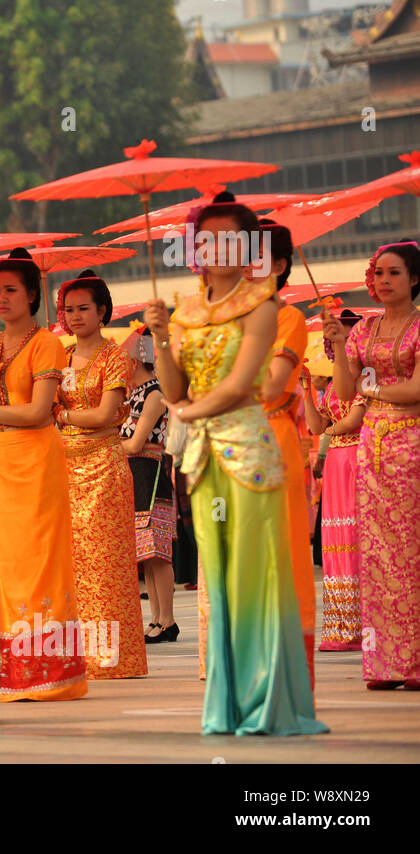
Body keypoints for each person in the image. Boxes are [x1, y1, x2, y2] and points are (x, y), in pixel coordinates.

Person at [144, 192, 325, 735]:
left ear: (248, 248)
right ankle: (227, 700)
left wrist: (187, 411)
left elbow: (244, 383)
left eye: (228, 237)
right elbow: (174, 386)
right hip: (202, 455)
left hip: (248, 448)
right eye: (205, 237)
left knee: (257, 572)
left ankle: (270, 698)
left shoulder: (264, 305)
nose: (214, 247)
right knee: (218, 576)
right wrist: (160, 337)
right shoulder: (185, 311)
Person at [0, 248, 87, 702]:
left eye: (10, 290)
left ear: (31, 296)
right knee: (5, 560)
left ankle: (49, 671)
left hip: (36, 457)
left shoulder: (46, 343)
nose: (1, 298)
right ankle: (15, 669)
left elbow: (40, 410)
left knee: (40, 557)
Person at [323, 239, 420, 690]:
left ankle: (414, 661)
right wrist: (341, 347)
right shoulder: (363, 329)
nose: (383, 281)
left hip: (412, 445)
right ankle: (383, 664)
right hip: (371, 450)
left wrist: (374, 389)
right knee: (376, 555)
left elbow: (416, 391)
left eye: (394, 273)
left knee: (411, 553)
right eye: (378, 273)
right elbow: (345, 393)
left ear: (415, 278)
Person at [55, 273, 148, 679]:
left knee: (107, 563)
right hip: (63, 467)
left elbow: (105, 414)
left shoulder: (114, 358)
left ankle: (113, 657)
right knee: (72, 562)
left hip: (104, 464)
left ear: (102, 312)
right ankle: (78, 653)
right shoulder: (59, 358)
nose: (75, 316)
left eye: (84, 309)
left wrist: (61, 415)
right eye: (69, 309)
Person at [256, 219, 318, 684]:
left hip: (271, 441)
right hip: (226, 445)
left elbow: (274, 385)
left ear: (278, 265)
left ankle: (285, 680)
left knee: (282, 558)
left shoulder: (288, 318)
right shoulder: (224, 319)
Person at [300, 318, 366, 652]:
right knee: (336, 542)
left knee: (356, 539)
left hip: (357, 460)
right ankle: (342, 626)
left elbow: (353, 421)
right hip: (337, 467)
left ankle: (363, 625)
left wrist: (331, 430)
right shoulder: (332, 390)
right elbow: (315, 425)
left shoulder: (367, 379)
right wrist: (307, 391)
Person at [119, 331, 177, 642]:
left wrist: (103, 443)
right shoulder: (132, 394)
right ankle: (156, 619)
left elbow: (137, 442)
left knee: (158, 553)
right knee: (147, 554)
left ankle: (166, 619)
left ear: (137, 360)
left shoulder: (154, 394)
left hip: (150, 473)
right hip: (134, 474)